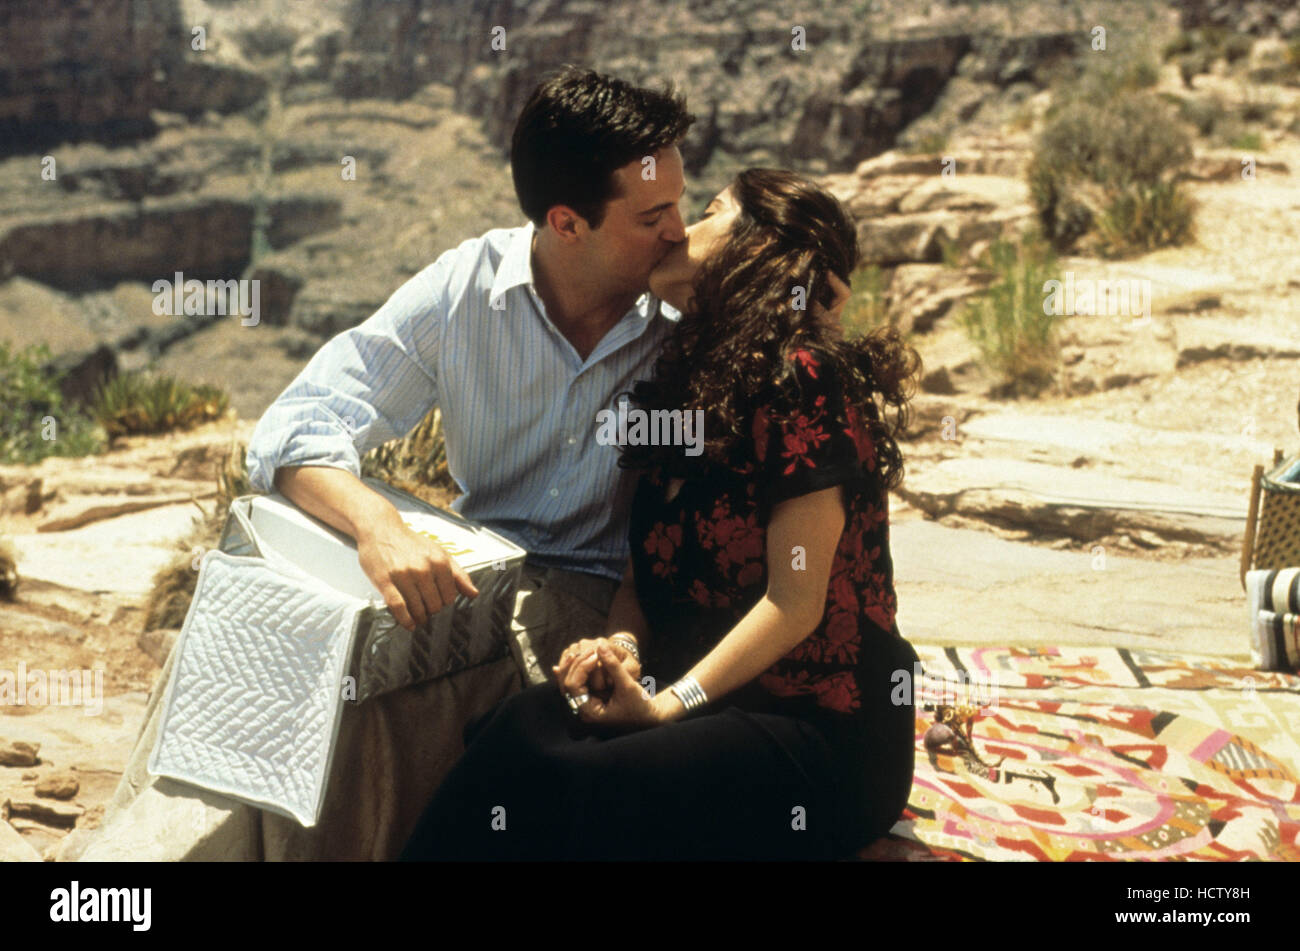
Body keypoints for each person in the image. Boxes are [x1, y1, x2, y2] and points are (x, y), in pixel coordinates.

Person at [400, 168, 924, 861]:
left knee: (578, 780)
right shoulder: (679, 386)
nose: (679, 228)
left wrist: (666, 705)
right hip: (702, 694)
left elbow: (794, 602)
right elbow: (639, 583)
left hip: (818, 724)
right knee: (521, 728)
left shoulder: (803, 381)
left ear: (757, 248)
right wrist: (618, 652)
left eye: (708, 212)